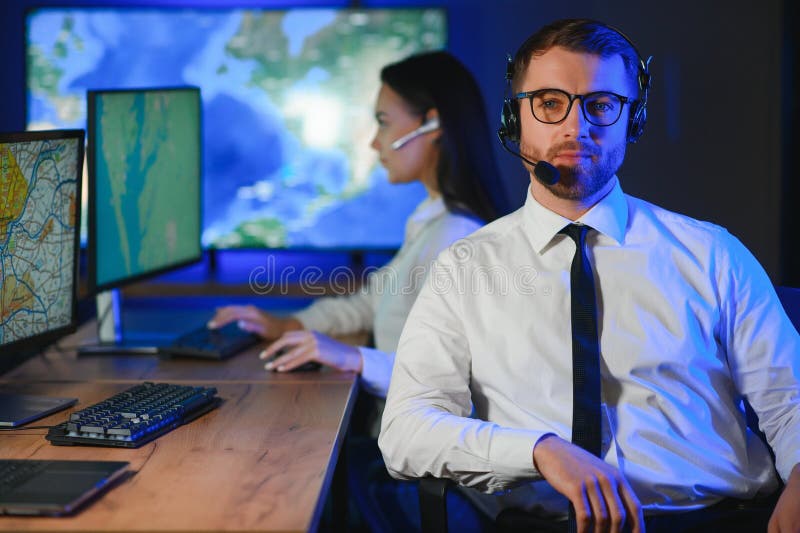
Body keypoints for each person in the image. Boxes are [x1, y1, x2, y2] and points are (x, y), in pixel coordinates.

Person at [379, 19, 800, 533]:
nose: (575, 128)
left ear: (633, 119)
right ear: (515, 120)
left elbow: (788, 398)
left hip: (715, 520)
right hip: (545, 525)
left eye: (601, 105)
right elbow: (405, 432)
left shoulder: (712, 253)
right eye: (550, 104)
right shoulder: (464, 267)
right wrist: (539, 450)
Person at [208, 50, 501, 400]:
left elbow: (446, 384)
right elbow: (370, 304)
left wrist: (353, 358)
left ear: (432, 125)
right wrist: (284, 325)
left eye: (384, 121)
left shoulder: (455, 236)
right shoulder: (433, 219)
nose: (375, 142)